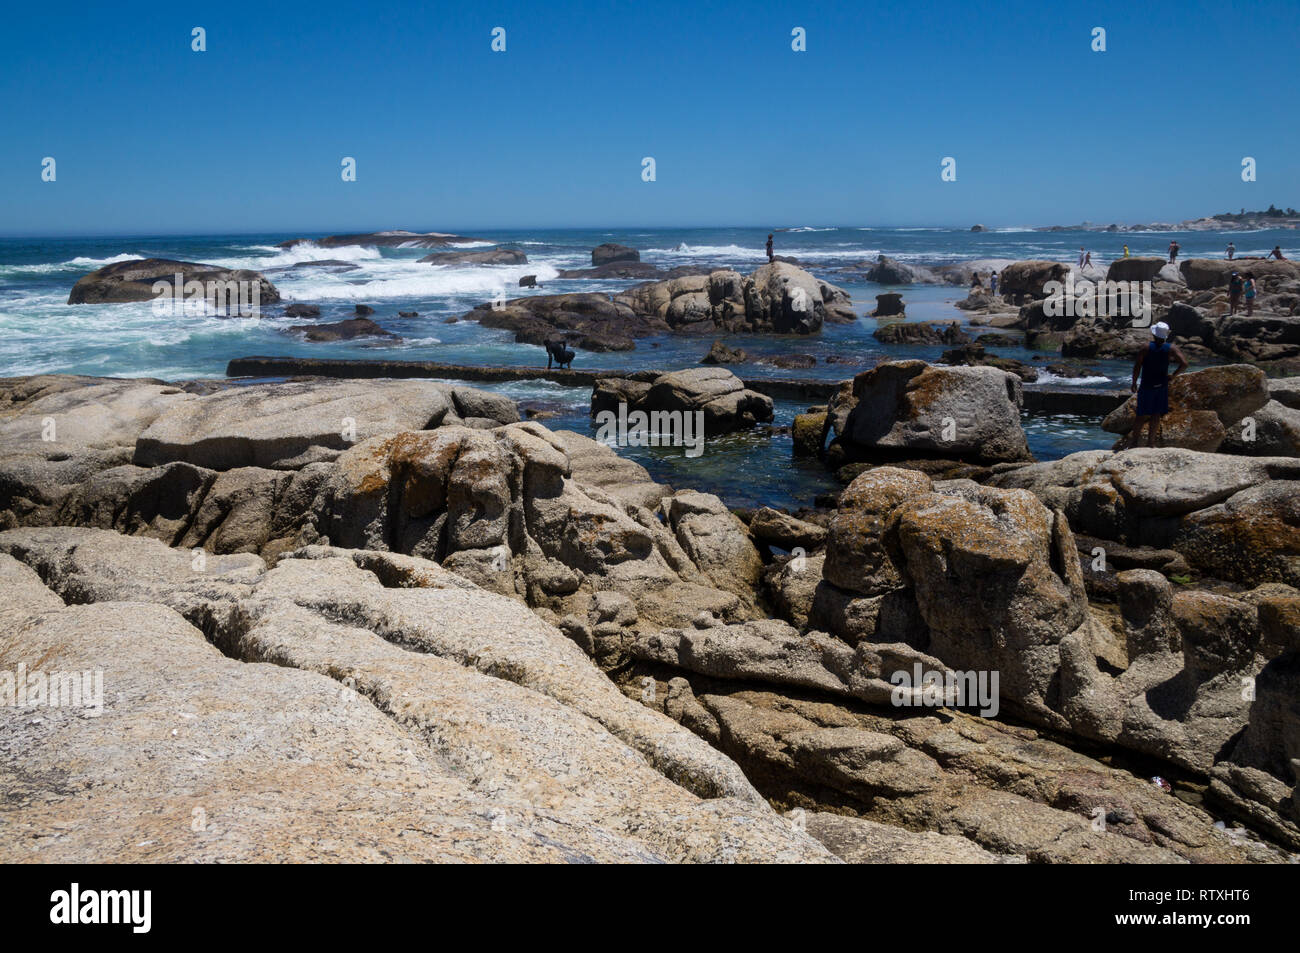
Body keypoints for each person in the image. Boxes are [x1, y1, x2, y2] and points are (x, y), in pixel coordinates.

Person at [1123, 322, 1187, 449]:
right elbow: (1184, 363)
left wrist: (1134, 382)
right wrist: (1173, 375)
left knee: (1140, 415)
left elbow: (1137, 367)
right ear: (1165, 336)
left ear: (1154, 334)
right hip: (1161, 385)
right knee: (1156, 415)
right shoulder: (1171, 348)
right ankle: (1151, 443)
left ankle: (1134, 443)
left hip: (1147, 384)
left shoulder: (1145, 347)